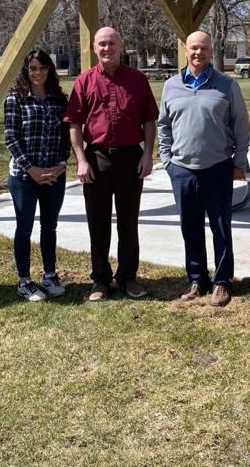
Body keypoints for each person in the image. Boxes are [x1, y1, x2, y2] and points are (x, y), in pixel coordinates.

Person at [65, 27, 158, 301]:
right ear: (95, 48)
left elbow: (149, 120)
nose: (107, 49)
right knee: (98, 223)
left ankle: (128, 277)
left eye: (112, 43)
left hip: (131, 158)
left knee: (129, 222)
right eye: (102, 44)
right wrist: (81, 159)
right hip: (97, 159)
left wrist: (148, 153)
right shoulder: (84, 81)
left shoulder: (138, 80)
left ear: (121, 46)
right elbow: (74, 123)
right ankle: (100, 281)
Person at [157, 30, 249, 307]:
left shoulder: (227, 85)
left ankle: (222, 282)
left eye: (204, 49)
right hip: (182, 169)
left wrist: (239, 162)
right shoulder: (171, 85)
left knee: (221, 227)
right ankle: (197, 279)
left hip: (217, 167)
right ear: (186, 50)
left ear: (211, 51)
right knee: (190, 227)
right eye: (194, 48)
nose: (199, 53)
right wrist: (167, 160)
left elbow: (241, 127)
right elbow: (164, 125)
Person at [3, 50, 71, 302]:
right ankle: (24, 281)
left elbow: (67, 137)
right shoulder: (16, 99)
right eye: (33, 68)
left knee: (49, 226)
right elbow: (11, 137)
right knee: (24, 227)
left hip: (53, 174)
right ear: (26, 71)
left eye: (42, 67)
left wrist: (61, 165)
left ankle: (50, 275)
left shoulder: (59, 100)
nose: (38, 73)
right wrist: (31, 169)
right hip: (24, 175)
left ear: (50, 70)